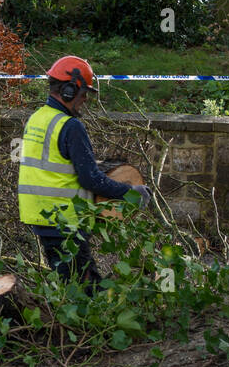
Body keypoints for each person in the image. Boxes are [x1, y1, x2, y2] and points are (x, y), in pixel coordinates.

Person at [18, 55, 151, 289]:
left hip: (42, 217)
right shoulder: (70, 126)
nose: (85, 100)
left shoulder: (36, 119)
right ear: (69, 90)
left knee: (69, 284)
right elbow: (90, 178)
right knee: (85, 288)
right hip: (65, 221)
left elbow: (56, 163)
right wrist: (131, 192)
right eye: (84, 93)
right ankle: (87, 324)